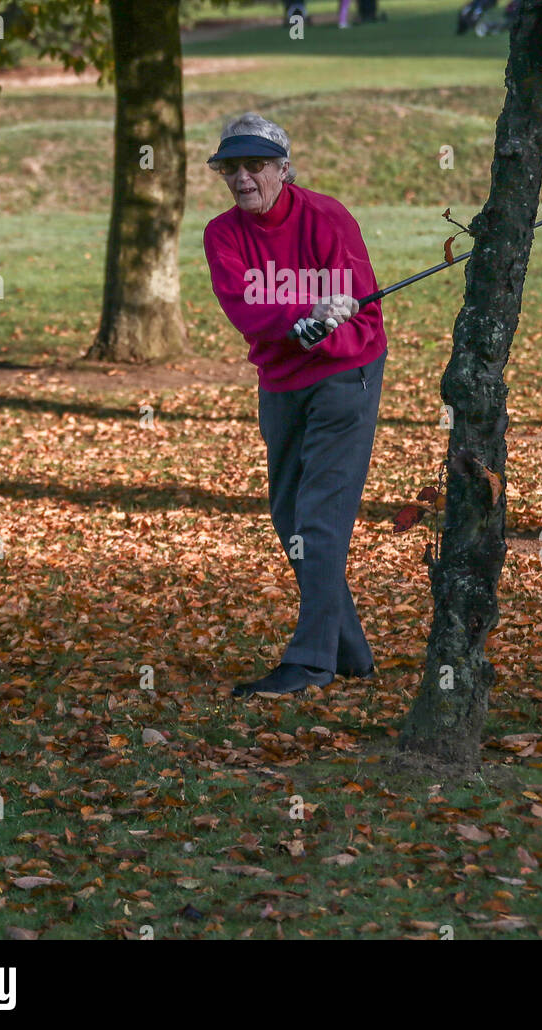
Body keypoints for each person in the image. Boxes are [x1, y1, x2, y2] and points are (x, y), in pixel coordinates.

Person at [203, 112, 387, 697]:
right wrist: (296, 320)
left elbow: (355, 303)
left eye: (254, 165)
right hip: (281, 379)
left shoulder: (327, 217)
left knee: (319, 518)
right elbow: (243, 307)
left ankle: (311, 663)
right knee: (291, 517)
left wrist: (327, 320)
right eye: (231, 168)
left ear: (283, 168)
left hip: (344, 372)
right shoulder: (222, 233)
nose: (242, 178)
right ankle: (350, 651)